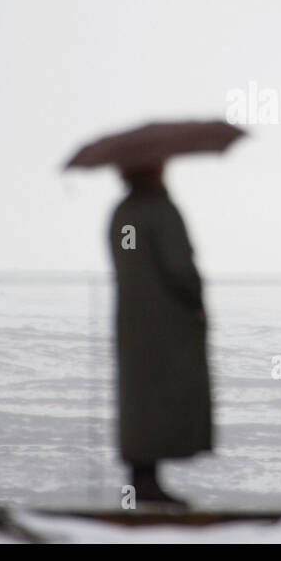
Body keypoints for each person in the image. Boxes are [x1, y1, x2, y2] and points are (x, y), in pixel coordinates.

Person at [109, 163, 213, 506]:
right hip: (168, 320)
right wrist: (197, 302)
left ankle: (141, 478)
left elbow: (129, 259)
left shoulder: (123, 213)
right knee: (165, 397)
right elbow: (179, 267)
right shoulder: (160, 211)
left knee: (139, 398)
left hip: (131, 321)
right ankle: (149, 484)